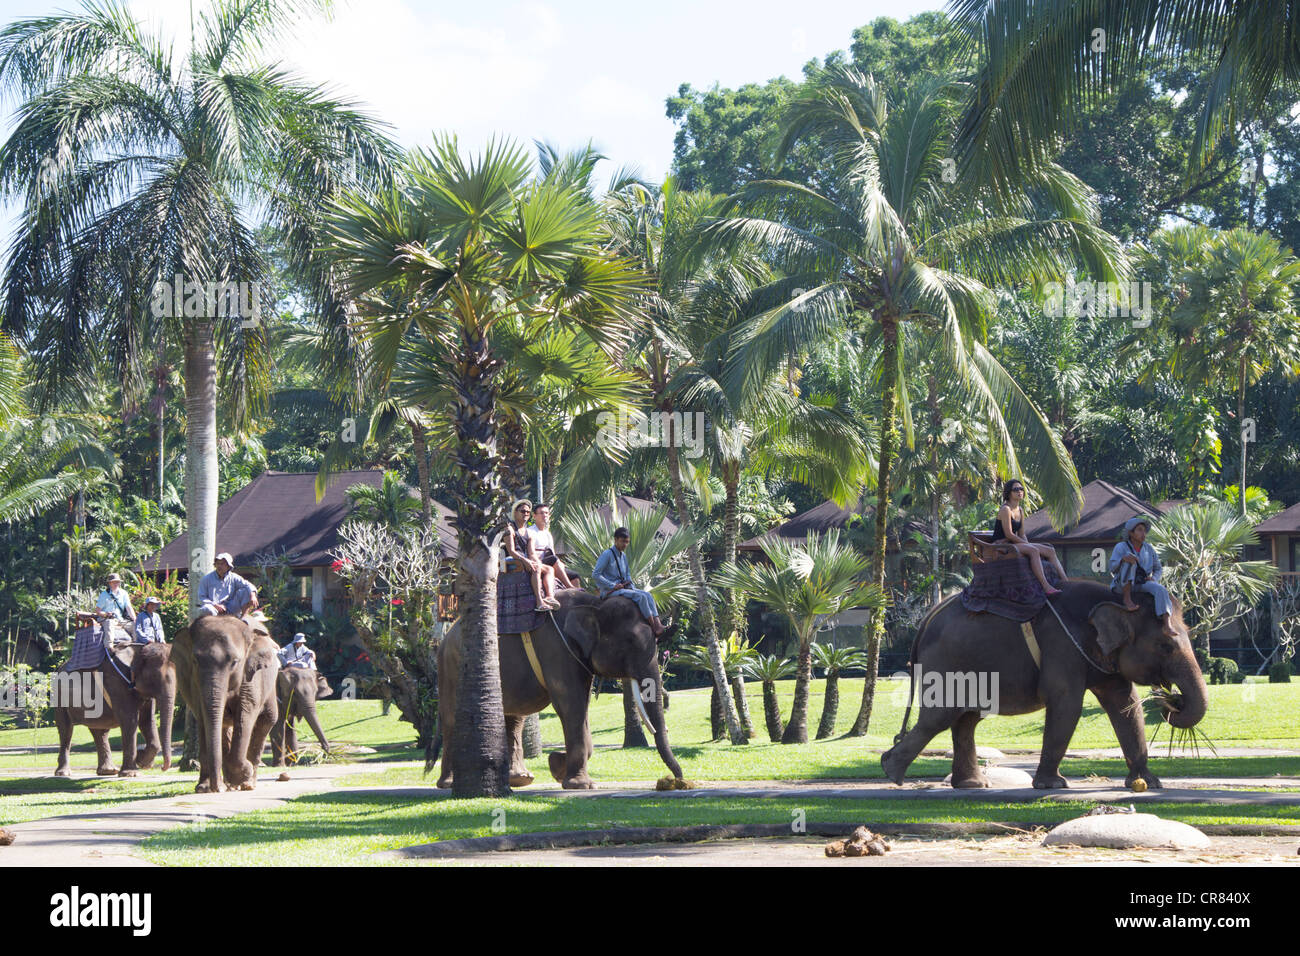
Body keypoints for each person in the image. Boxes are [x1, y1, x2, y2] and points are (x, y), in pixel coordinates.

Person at [992, 479, 1067, 597]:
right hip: (1002, 545)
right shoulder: (1006, 509)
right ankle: (1046, 586)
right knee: (1033, 550)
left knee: (1050, 550)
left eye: (1021, 489)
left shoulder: (1020, 510)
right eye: (1016, 489)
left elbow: (1021, 534)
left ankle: (1065, 582)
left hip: (1014, 544)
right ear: (1009, 493)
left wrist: (1027, 543)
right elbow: (1009, 534)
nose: (1020, 491)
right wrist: (1028, 546)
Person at [1110, 516, 1177, 638]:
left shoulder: (1149, 549)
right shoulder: (1121, 547)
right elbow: (1112, 567)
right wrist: (1123, 560)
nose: (1143, 533)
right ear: (1131, 533)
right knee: (1129, 559)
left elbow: (1158, 568)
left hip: (1141, 583)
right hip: (1122, 584)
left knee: (1160, 589)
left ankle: (1167, 625)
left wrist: (1154, 578)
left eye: (1144, 530)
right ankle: (1127, 599)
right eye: (1139, 530)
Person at [592, 526, 666, 636]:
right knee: (641, 597)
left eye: (627, 542)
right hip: (609, 591)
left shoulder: (624, 556)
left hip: (623, 588)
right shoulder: (607, 554)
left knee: (647, 595)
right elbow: (595, 574)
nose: (625, 545)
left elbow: (627, 575)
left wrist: (631, 586)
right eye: (622, 541)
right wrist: (612, 585)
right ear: (615, 540)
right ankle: (654, 627)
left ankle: (658, 624)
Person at [503, 499, 559, 610]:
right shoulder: (510, 529)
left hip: (524, 560)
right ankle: (539, 602)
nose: (526, 514)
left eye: (528, 512)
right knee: (536, 569)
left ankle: (549, 597)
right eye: (523, 511)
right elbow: (511, 551)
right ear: (515, 513)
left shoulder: (530, 533)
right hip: (510, 562)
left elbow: (531, 553)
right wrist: (527, 561)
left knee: (549, 569)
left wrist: (536, 562)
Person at [527, 503, 576, 591]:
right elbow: (530, 553)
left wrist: (560, 564)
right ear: (534, 516)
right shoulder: (530, 531)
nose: (544, 515)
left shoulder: (547, 534)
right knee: (553, 559)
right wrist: (538, 563)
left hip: (549, 561)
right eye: (541, 513)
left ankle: (578, 596)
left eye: (546, 513)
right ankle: (570, 587)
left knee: (574, 575)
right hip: (537, 562)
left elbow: (552, 552)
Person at [196, 552, 259, 618]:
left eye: (222, 564)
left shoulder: (234, 577)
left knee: (246, 590)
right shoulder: (206, 579)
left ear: (228, 566)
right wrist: (215, 605)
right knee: (206, 609)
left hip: (230, 608)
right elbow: (202, 597)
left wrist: (253, 596)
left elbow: (248, 585)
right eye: (218, 563)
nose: (219, 566)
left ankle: (244, 618)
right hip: (213, 608)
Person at [96, 573, 136, 639]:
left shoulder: (124, 593)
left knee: (135, 625)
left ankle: (136, 646)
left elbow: (129, 607)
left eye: (117, 582)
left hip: (120, 620)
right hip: (107, 619)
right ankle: (109, 647)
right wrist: (106, 614)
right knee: (109, 624)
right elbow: (98, 611)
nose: (116, 584)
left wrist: (134, 619)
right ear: (109, 583)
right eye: (113, 582)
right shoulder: (104, 595)